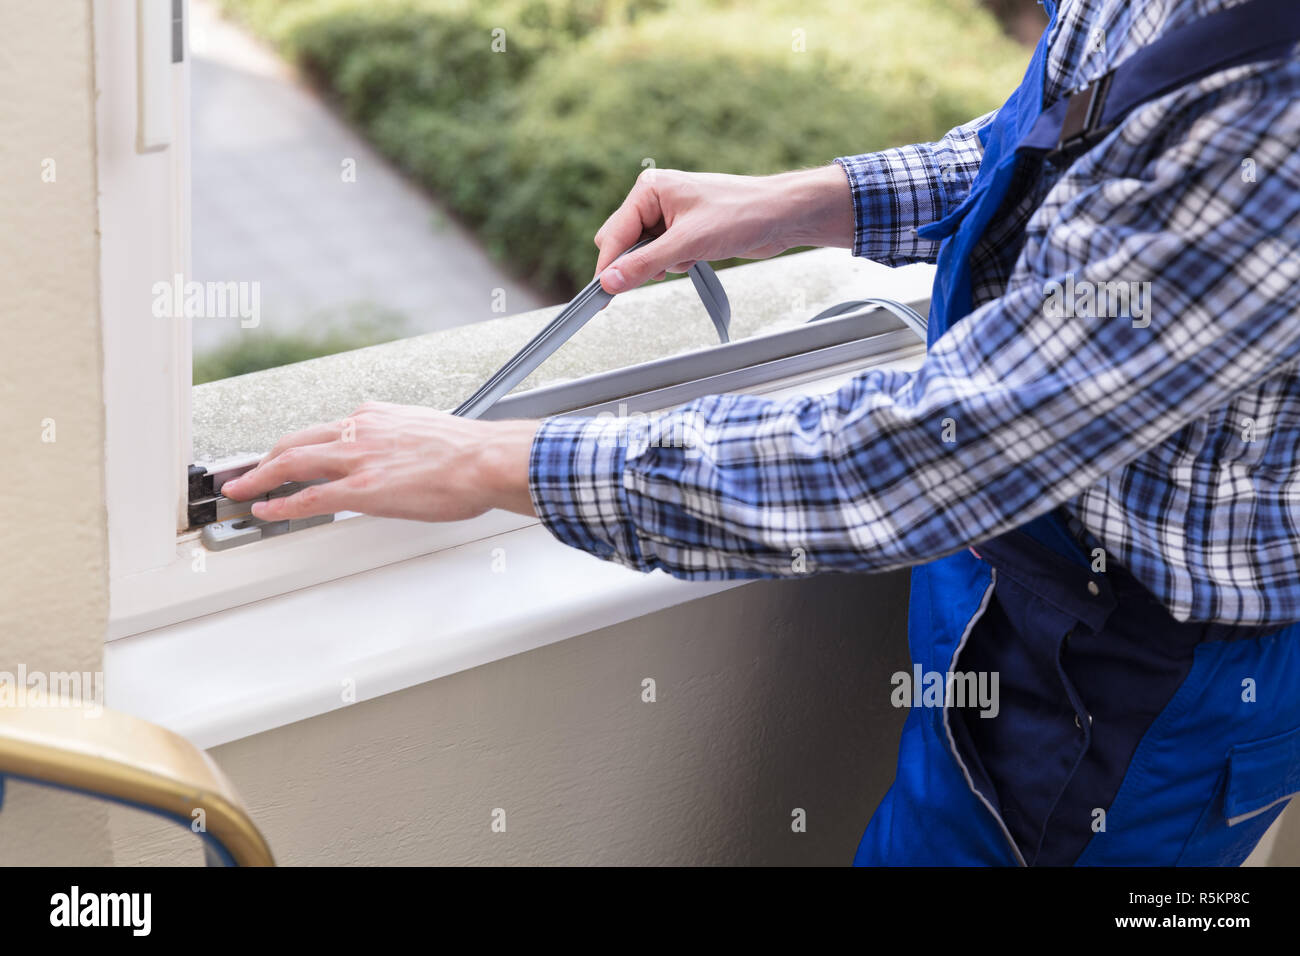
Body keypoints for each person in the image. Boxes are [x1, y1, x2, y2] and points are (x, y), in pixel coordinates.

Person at [222, 0, 1300, 865]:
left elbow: (930, 452)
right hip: (1021, 590)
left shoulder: (1277, 127)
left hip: (1134, 701)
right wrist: (798, 202)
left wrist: (504, 459)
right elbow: (1079, 153)